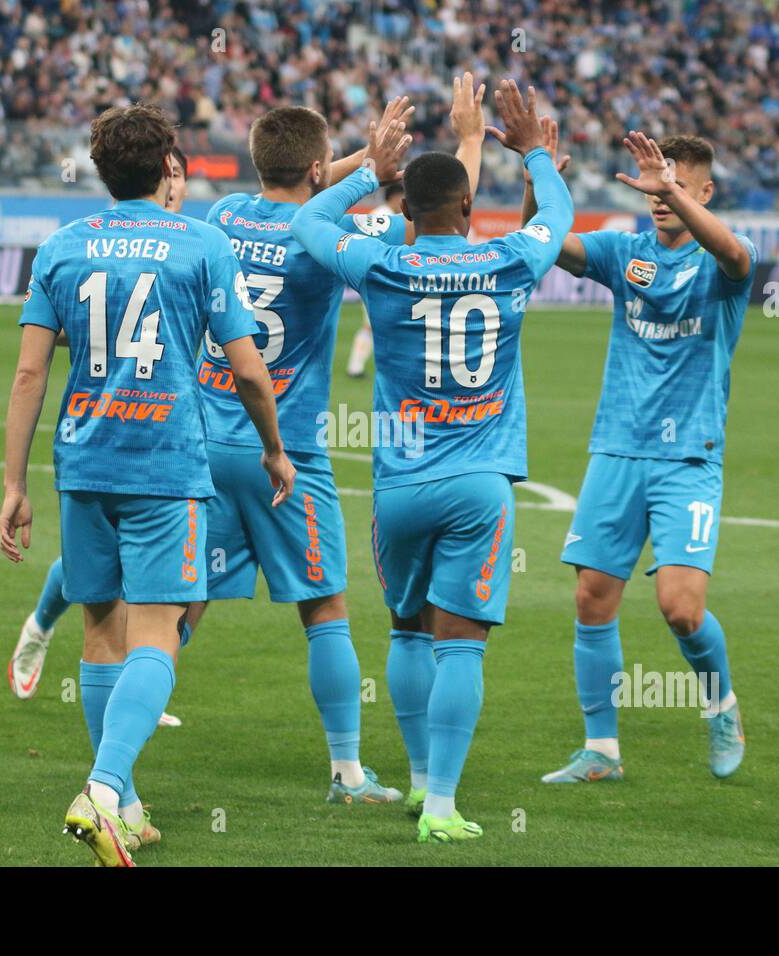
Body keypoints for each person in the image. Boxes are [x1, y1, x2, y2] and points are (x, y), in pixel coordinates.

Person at [0, 104, 294, 866]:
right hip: (165, 463)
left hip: (84, 462)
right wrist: (273, 451)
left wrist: (13, 484)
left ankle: (125, 805)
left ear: (101, 171)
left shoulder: (62, 249)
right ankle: (102, 790)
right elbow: (248, 368)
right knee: (158, 630)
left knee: (102, 632)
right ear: (169, 167)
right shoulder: (200, 244)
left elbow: (32, 370)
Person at [189, 77, 486, 803]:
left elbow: (304, 177)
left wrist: (359, 160)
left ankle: (117, 751)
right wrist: (466, 143)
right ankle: (348, 772)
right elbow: (439, 220)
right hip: (283, 448)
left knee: (177, 603)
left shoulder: (223, 214)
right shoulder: (348, 236)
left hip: (202, 441)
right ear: (321, 169)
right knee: (324, 607)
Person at [293, 80, 573, 843]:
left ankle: (416, 782)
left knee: (407, 633)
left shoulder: (381, 265)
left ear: (405, 212)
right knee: (461, 645)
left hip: (400, 487)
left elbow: (308, 220)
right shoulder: (511, 260)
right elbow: (559, 219)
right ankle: (443, 804)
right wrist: (537, 154)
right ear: (470, 210)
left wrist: (365, 172)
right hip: (479, 485)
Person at [533, 131, 755, 785]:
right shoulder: (624, 253)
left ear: (703, 192)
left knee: (680, 608)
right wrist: (532, 181)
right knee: (591, 597)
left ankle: (722, 707)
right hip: (618, 448)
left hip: (688, 454)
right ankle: (600, 751)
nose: (657, 192)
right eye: (651, 180)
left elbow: (735, 252)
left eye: (675, 182)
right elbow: (545, 246)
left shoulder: (723, 264)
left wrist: (676, 198)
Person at [6, 146, 191, 736]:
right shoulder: (176, 247)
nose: (179, 184)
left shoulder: (194, 244)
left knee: (159, 600)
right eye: (176, 172)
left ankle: (137, 694)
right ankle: (43, 627)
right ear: (163, 173)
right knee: (124, 606)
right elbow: (41, 356)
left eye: (187, 176)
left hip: (175, 443)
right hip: (137, 449)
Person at [346, 181, 405, 378]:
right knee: (373, 325)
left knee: (378, 324)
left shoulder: (380, 214)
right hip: (379, 276)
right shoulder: (384, 217)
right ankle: (356, 367)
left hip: (376, 275)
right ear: (394, 198)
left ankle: (360, 366)